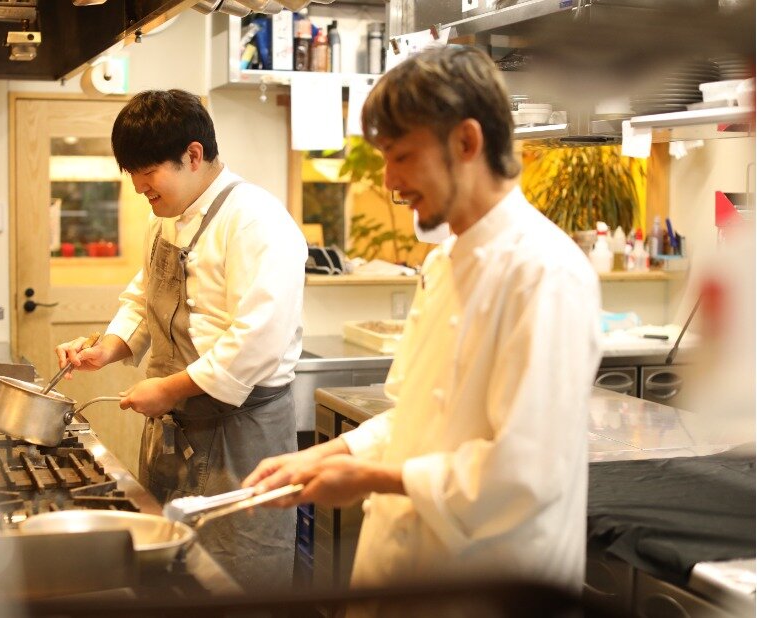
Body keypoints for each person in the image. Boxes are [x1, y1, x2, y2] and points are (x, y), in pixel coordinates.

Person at [244, 46, 602, 599]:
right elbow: (414, 417)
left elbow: (525, 473)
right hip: (405, 570)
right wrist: (330, 454)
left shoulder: (546, 272)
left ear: (467, 142)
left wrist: (370, 478)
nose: (391, 181)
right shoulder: (442, 262)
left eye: (402, 156)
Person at [55, 89, 307, 590]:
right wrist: (107, 348)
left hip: (240, 435)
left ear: (193, 155)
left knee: (236, 579)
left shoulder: (256, 220)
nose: (139, 189)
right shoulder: (164, 220)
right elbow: (143, 298)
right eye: (133, 176)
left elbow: (258, 339)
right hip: (177, 431)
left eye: (148, 175)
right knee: (170, 575)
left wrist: (169, 389)